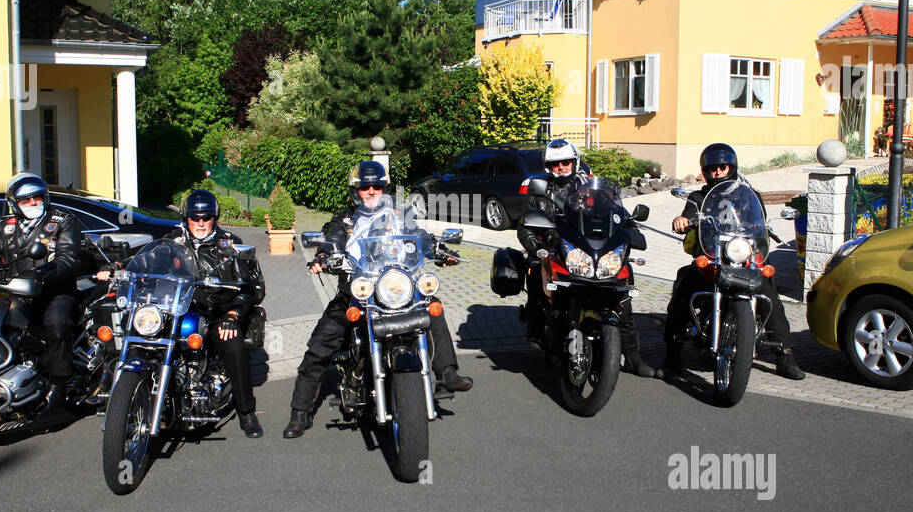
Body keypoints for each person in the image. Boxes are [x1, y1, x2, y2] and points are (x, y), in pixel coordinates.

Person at [284, 160, 472, 439]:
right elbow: (333, 239)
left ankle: (447, 374)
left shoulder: (399, 214)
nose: (371, 191)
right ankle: (300, 411)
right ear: (355, 190)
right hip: (357, 292)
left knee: (432, 307)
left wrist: (439, 250)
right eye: (365, 187)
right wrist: (323, 256)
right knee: (321, 345)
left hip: (394, 288)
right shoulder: (346, 219)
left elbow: (419, 237)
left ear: (384, 188)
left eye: (377, 186)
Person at [0, 173, 84, 437]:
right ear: (14, 203)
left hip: (54, 291)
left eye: (37, 197)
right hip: (15, 292)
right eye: (25, 199)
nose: (33, 203)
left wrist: (44, 272)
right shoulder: (6, 226)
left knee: (57, 324)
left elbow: (69, 258)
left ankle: (58, 387)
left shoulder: (63, 222)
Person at [662, 143, 805, 380]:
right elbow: (688, 215)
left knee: (769, 294)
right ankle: (672, 354)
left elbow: (759, 222)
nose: (718, 171)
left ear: (732, 167)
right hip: (712, 258)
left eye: (722, 167)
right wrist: (682, 221)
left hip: (741, 259)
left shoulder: (748, 195)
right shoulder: (698, 197)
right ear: (705, 171)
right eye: (713, 168)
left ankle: (785, 356)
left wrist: (763, 229)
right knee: (684, 287)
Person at [516, 139, 655, 377]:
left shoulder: (590, 187)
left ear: (575, 162)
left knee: (623, 289)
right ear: (548, 166)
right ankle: (536, 330)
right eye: (556, 163)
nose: (561, 167)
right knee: (536, 270)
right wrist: (536, 246)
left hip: (588, 249)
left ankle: (633, 356)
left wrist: (629, 227)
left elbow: (615, 211)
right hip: (555, 249)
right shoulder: (541, 190)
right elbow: (525, 226)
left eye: (566, 162)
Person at [166, 189, 265, 439]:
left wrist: (233, 314)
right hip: (181, 312)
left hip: (219, 314)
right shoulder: (172, 241)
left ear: (214, 217)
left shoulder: (229, 244)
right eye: (195, 217)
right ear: (186, 217)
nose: (201, 223)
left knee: (234, 347)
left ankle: (246, 412)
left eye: (206, 217)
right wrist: (122, 269)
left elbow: (251, 286)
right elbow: (149, 264)